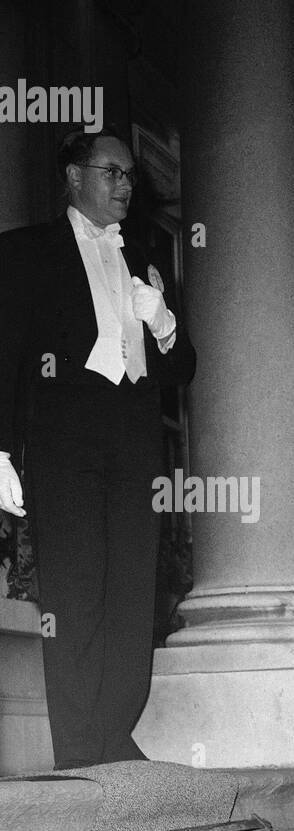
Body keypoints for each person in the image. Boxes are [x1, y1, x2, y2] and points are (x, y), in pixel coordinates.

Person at [0, 127, 195, 769]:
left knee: (132, 594)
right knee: (77, 594)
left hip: (134, 444)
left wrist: (164, 324)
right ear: (74, 177)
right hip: (64, 443)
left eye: (131, 176)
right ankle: (80, 749)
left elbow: (181, 369)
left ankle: (114, 734)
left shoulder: (141, 257)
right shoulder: (26, 252)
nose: (125, 186)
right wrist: (1, 451)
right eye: (112, 172)